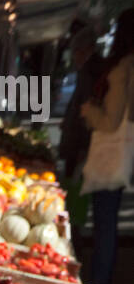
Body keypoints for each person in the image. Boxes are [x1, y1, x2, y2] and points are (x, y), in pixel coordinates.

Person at [80, 8, 134, 284]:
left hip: (112, 153)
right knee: (107, 219)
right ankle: (102, 280)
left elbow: (111, 122)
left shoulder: (123, 69)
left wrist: (90, 112)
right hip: (123, 151)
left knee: (105, 220)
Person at [58, 25, 103, 261]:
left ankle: (75, 247)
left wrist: (79, 144)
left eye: (75, 52)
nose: (74, 57)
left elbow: (84, 111)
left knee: (76, 196)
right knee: (76, 197)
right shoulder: (92, 70)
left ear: (84, 50)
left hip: (80, 146)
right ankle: (76, 242)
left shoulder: (91, 71)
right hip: (80, 144)